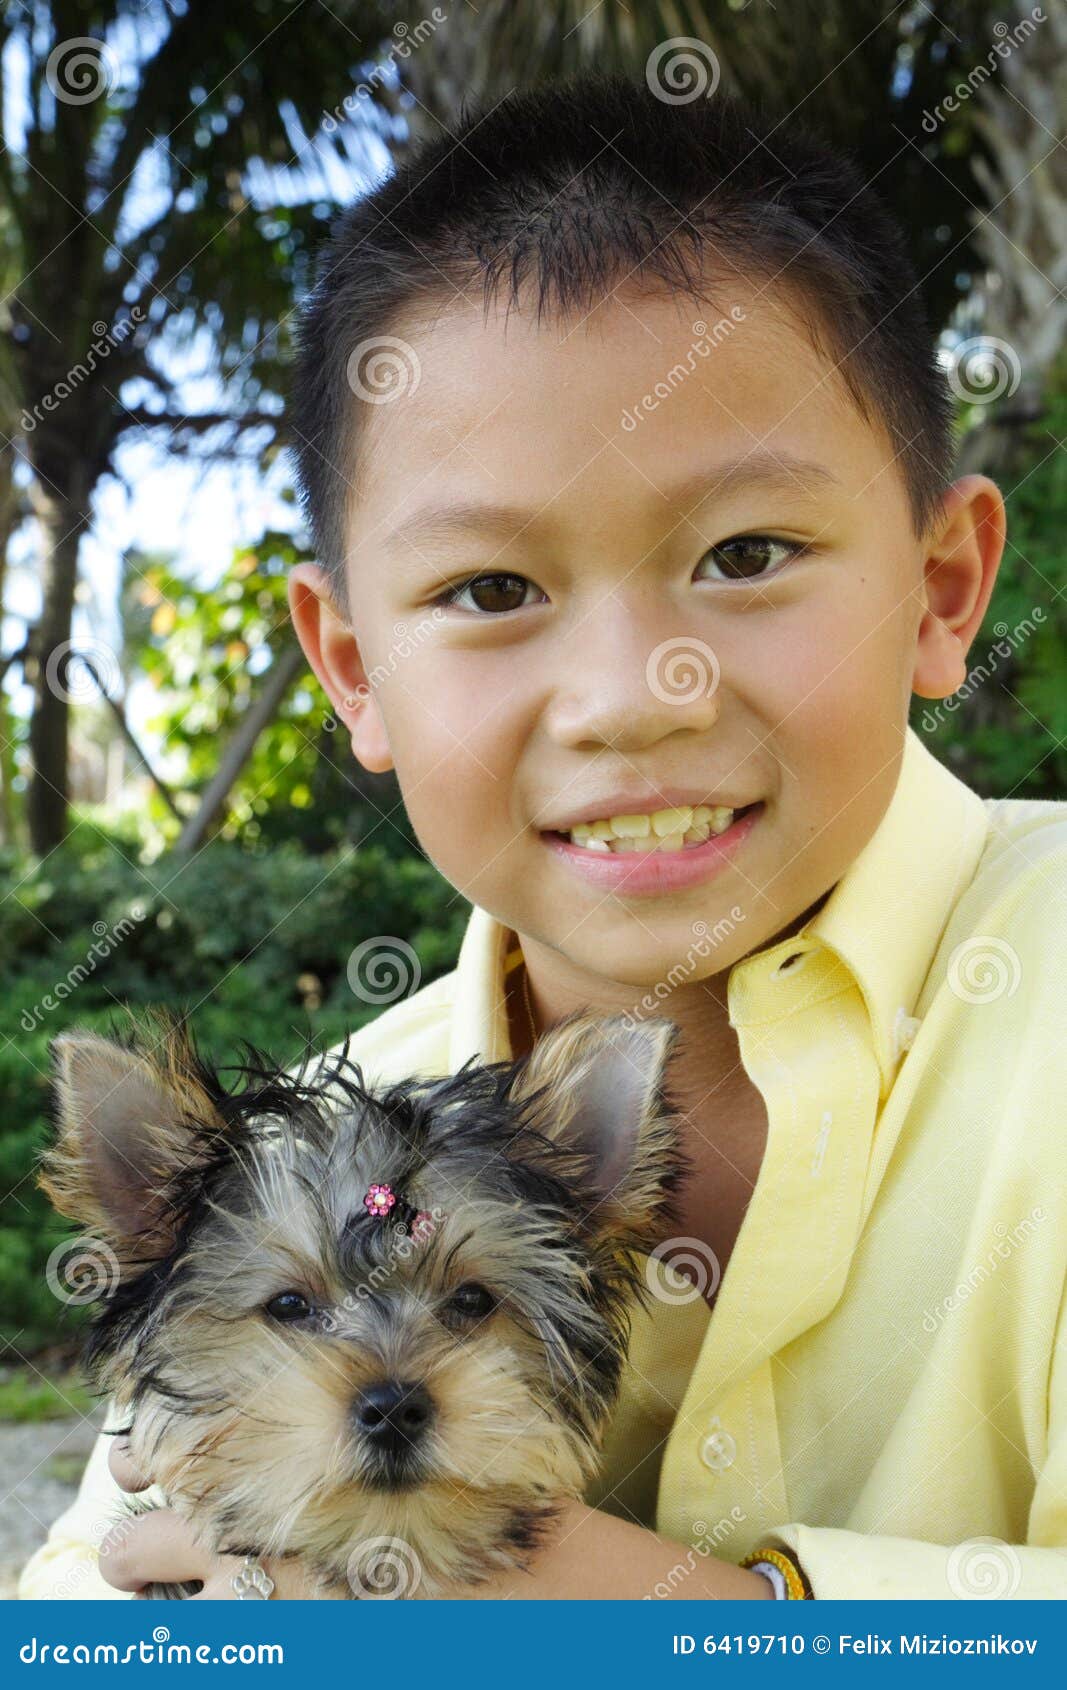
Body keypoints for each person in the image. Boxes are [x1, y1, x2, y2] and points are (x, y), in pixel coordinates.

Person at [19, 70, 1067, 1602]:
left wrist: (699, 1624)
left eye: (746, 553)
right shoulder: (303, 1145)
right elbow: (85, 1595)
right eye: (493, 590)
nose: (633, 701)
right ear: (355, 667)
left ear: (944, 584)